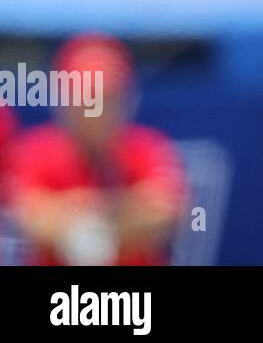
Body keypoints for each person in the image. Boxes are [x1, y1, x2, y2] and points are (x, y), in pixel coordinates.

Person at [8, 34, 187, 266]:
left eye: (108, 99)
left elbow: (165, 211)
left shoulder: (148, 147)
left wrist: (90, 214)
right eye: (86, 98)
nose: (97, 112)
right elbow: (30, 217)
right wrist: (122, 214)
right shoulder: (35, 149)